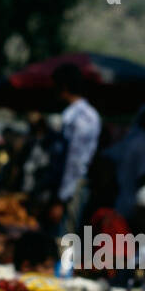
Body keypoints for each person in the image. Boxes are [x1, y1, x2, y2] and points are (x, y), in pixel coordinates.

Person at [50, 63, 101, 232]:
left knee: (64, 237)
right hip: (66, 187)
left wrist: (61, 199)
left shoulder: (82, 117)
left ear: (63, 87)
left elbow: (75, 161)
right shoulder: (74, 115)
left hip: (72, 188)